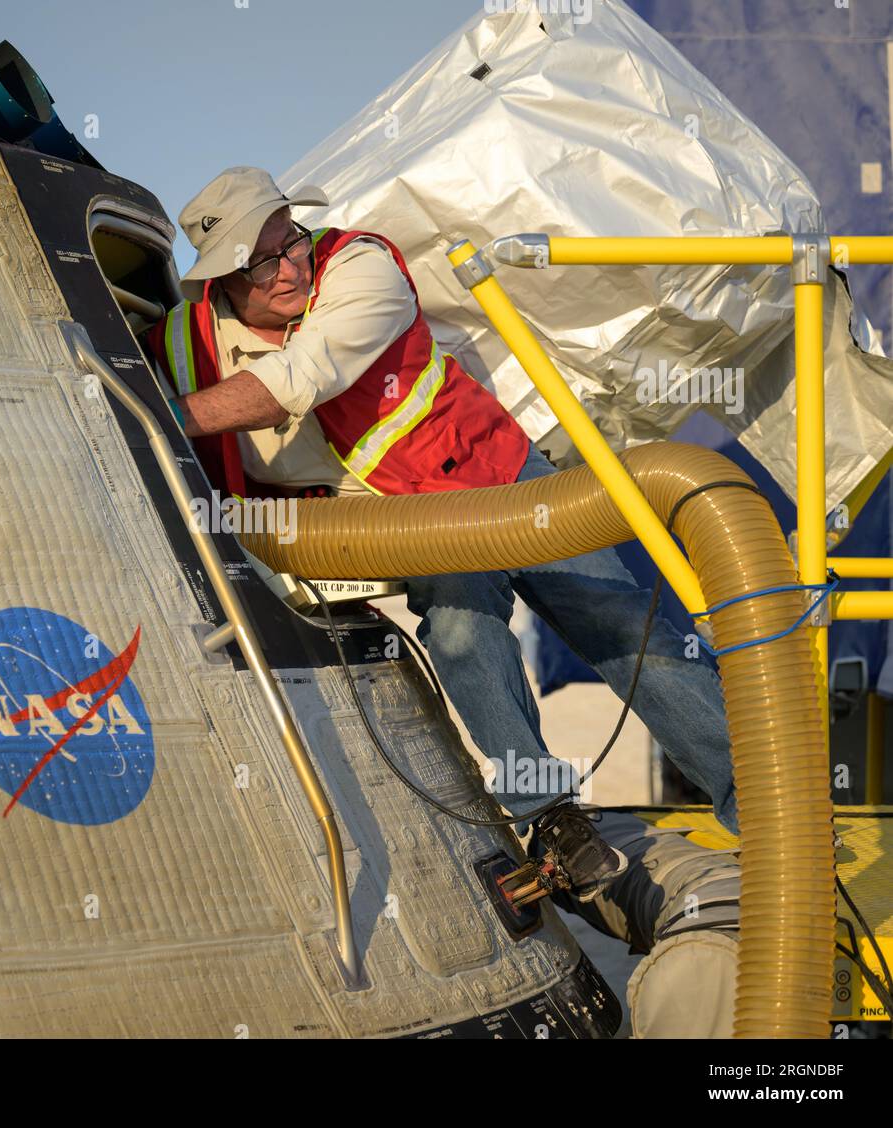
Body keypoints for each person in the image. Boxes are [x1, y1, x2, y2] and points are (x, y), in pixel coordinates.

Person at [143, 167, 739, 901]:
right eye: (265, 261)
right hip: (405, 518)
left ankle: (762, 801)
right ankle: (551, 822)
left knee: (621, 626)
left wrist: (162, 415)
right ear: (224, 277)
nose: (292, 265)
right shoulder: (182, 343)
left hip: (499, 476)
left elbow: (302, 375)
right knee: (463, 635)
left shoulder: (360, 265)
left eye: (292, 240)